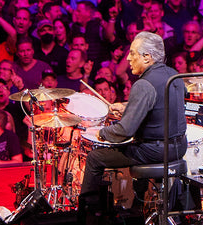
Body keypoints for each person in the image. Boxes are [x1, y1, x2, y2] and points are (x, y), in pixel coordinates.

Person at [79, 30, 188, 196]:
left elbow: (124, 131)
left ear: (147, 57)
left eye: (132, 54)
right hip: (179, 146)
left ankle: (88, 214)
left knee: (95, 157)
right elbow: (161, 105)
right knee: (137, 144)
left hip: (155, 151)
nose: (128, 59)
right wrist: (127, 107)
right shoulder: (174, 75)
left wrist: (101, 133)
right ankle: (138, 209)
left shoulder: (143, 84)